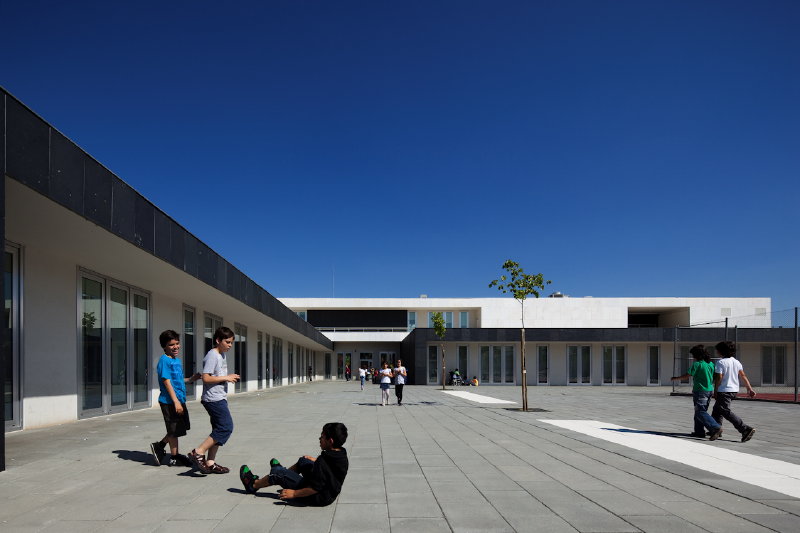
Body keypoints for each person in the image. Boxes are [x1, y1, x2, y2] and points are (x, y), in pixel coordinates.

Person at [239, 422, 349, 506]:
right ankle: (286, 474)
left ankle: (253, 485)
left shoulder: (322, 462)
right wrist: (314, 461)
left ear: (330, 441)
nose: (319, 439)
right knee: (303, 461)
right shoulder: (341, 454)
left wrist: (294, 494)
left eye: (322, 437)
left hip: (316, 497)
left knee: (277, 473)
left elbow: (315, 488)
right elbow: (330, 469)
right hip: (329, 493)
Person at [187, 327, 240, 474]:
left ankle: (210, 462)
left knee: (218, 430)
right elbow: (206, 377)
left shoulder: (221, 355)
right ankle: (198, 452)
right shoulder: (213, 355)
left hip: (219, 397)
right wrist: (226, 377)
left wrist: (228, 377)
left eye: (231, 343)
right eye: (227, 342)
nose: (230, 345)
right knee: (225, 427)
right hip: (213, 399)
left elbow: (216, 375)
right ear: (218, 340)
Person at [150, 330, 201, 466]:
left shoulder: (176, 360)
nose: (176, 347)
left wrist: (190, 379)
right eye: (172, 345)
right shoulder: (164, 361)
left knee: (178, 428)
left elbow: (176, 380)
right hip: (169, 401)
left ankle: (160, 446)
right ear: (165, 346)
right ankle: (174, 456)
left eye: (177, 343)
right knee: (174, 429)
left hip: (179, 399)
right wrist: (176, 401)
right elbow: (167, 382)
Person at [671, 345, 723, 440]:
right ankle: (699, 432)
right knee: (699, 411)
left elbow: (688, 375)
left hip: (700, 391)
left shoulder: (697, 364)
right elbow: (715, 378)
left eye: (693, 355)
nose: (693, 357)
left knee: (700, 412)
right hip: (709, 390)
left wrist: (675, 378)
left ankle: (715, 427)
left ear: (697, 355)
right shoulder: (711, 364)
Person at [711, 341, 756, 442]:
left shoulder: (720, 362)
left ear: (721, 351)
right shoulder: (736, 362)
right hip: (734, 390)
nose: (717, 352)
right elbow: (743, 375)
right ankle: (715, 429)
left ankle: (744, 429)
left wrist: (715, 391)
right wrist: (749, 388)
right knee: (717, 410)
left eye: (717, 350)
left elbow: (719, 378)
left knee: (725, 411)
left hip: (724, 390)